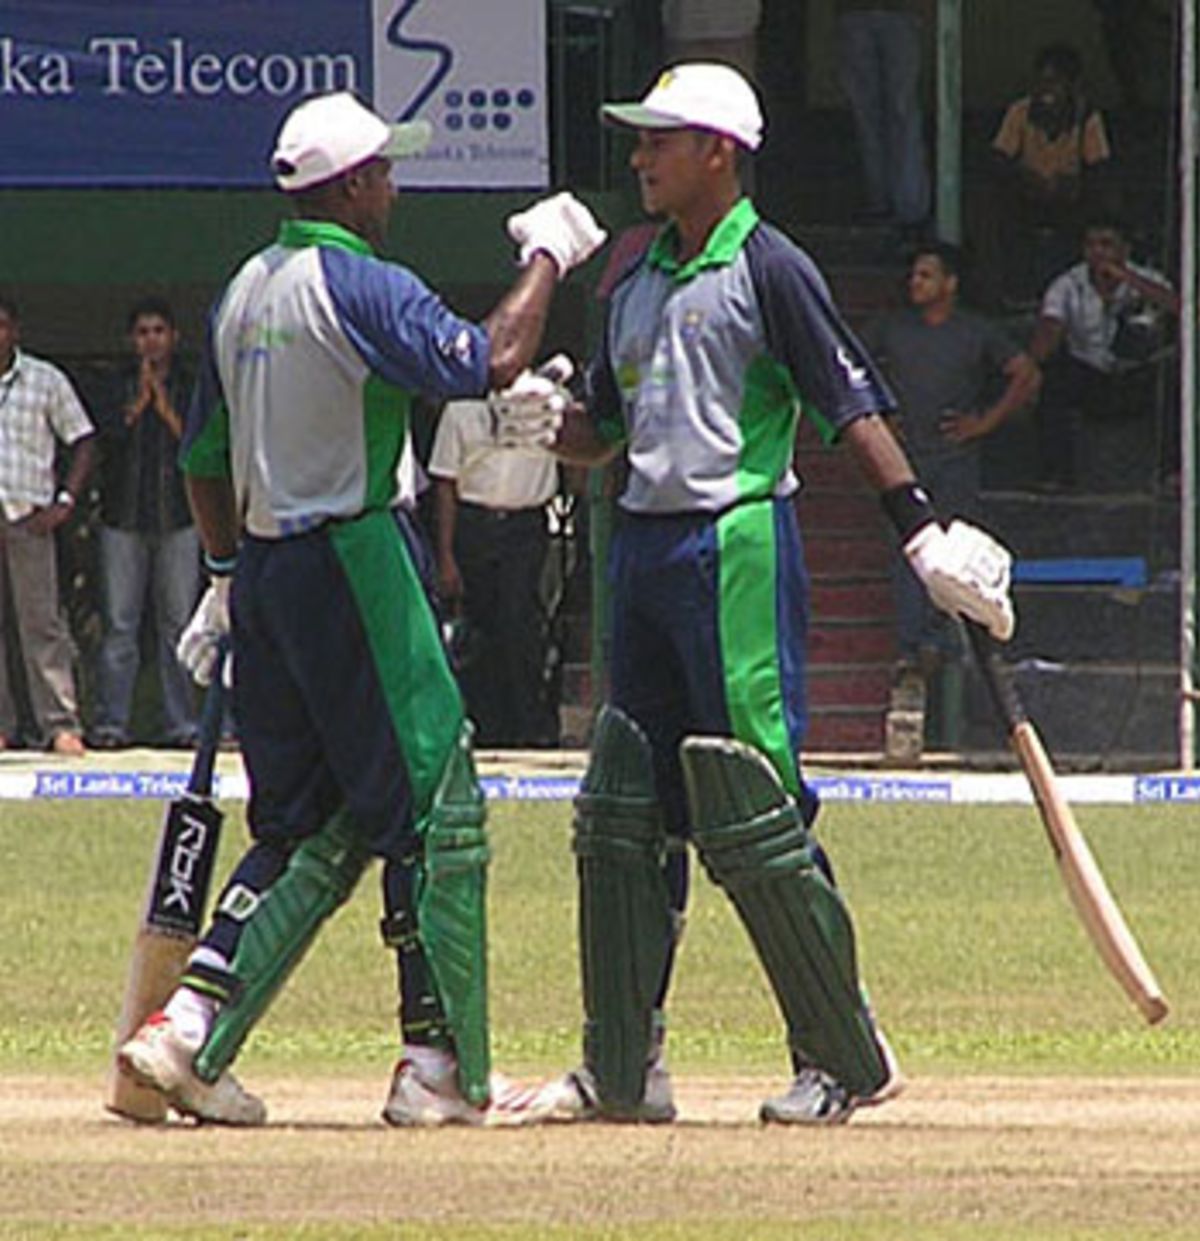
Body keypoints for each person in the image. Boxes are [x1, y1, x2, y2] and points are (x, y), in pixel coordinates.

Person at [495, 63, 1014, 1125]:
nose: (640, 157)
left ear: (719, 152)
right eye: (639, 141)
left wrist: (920, 537)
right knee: (624, 806)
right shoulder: (633, 278)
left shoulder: (771, 267)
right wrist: (552, 424)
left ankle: (845, 1052)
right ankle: (623, 1067)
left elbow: (847, 405)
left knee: (755, 805)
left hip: (732, 548)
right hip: (638, 551)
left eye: (660, 141)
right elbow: (607, 428)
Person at [117, 91, 605, 1126]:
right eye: (384, 172)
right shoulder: (360, 282)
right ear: (347, 187)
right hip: (357, 559)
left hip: (272, 573)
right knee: (438, 813)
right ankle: (442, 1070)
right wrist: (551, 256)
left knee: (304, 822)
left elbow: (205, 461)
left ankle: (187, 1029)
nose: (395, 186)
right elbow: (489, 361)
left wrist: (221, 574)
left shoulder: (241, 290)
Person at [860, 243, 1039, 674]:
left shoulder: (975, 331)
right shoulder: (893, 327)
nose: (915, 283)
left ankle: (947, 641)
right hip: (904, 460)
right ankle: (910, 644)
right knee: (908, 549)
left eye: (926, 275)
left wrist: (986, 422)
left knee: (955, 553)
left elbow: (1026, 373)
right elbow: (850, 364)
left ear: (950, 284)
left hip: (955, 457)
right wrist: (881, 416)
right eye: (914, 276)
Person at [89, 298, 200, 750]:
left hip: (180, 517)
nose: (151, 340)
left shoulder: (192, 384)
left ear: (174, 337)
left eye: (158, 331)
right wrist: (139, 400)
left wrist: (165, 405)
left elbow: (198, 439)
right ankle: (113, 723)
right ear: (131, 340)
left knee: (178, 625)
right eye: (142, 332)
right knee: (120, 625)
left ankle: (183, 724)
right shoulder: (113, 384)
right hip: (123, 518)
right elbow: (104, 437)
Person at [429, 397, 560, 748]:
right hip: (475, 524)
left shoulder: (545, 404)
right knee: (480, 628)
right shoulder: (460, 410)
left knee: (521, 622)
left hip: (525, 525)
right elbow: (445, 483)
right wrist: (445, 555)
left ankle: (531, 725)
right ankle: (487, 725)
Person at [0, 293, 95, 756]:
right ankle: (3, 725)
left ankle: (60, 724)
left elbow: (83, 438)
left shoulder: (43, 379)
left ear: (14, 330)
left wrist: (66, 501)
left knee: (41, 623)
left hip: (29, 516)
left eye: (0, 325)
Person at [1029, 214, 1178, 490]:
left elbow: (1181, 309)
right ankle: (1055, 475)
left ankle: (1172, 472)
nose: (1098, 252)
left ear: (1125, 249)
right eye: (1091, 245)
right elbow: (1046, 337)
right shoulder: (1068, 284)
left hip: (1138, 374)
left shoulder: (1148, 279)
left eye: (1107, 244)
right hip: (1090, 374)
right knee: (1055, 381)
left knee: (1175, 380)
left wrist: (1126, 278)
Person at [990, 44, 1112, 304]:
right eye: (1042, 81)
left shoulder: (1087, 117)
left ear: (1072, 85)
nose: (1047, 90)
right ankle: (1016, 294)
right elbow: (999, 160)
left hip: (1070, 201)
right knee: (1004, 216)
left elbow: (1100, 171)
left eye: (1056, 82)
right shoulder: (1020, 111)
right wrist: (1025, 177)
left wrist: (1072, 186)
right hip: (1026, 196)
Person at [835, 0, 931, 234]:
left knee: (899, 111)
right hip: (858, 12)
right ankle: (883, 201)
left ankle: (908, 206)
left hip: (899, 11)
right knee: (872, 113)